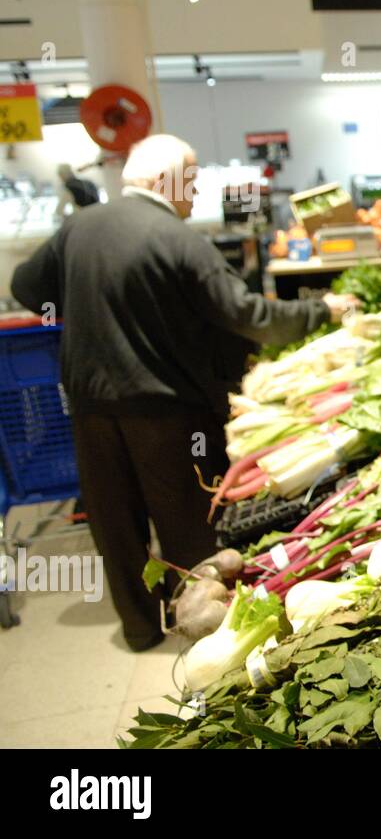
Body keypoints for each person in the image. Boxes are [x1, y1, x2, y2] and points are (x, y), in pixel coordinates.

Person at [11, 134, 359, 651]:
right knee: (187, 523)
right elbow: (249, 316)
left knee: (114, 523)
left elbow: (25, 287)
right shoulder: (177, 240)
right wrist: (321, 311)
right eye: (191, 180)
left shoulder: (78, 228)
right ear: (164, 180)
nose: (195, 193)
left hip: (89, 406)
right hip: (166, 410)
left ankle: (139, 627)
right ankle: (199, 631)